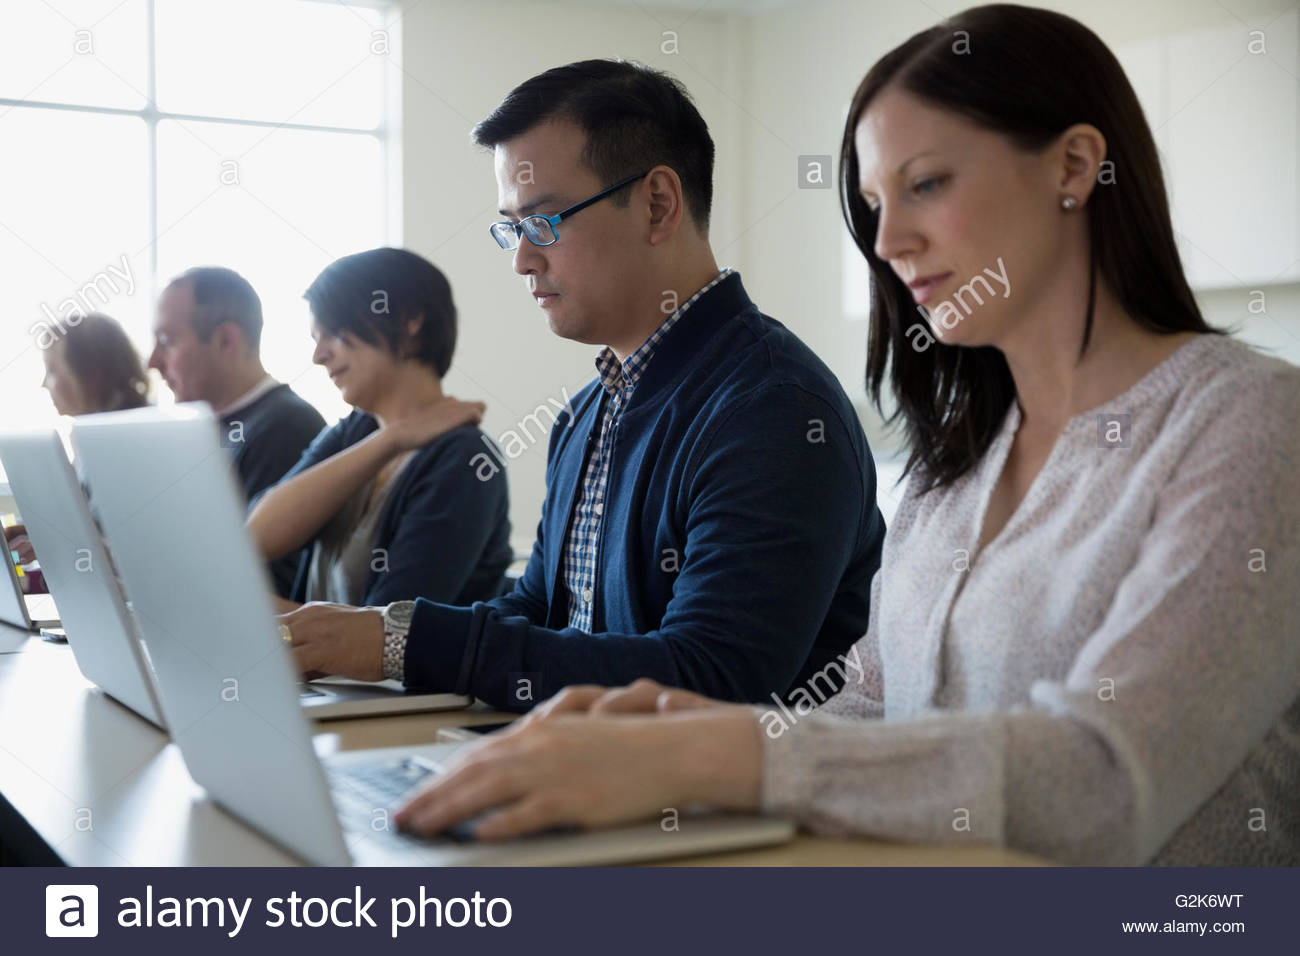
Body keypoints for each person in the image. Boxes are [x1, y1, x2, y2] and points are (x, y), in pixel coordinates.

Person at [380, 5, 1300, 867]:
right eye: (872, 204)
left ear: (1074, 168)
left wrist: (712, 756)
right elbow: (865, 702)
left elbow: (1106, 780)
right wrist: (648, 739)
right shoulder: (959, 459)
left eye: (926, 184)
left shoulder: (1250, 423)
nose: (888, 241)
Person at [281, 60, 885, 710]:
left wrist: (403, 641)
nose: (522, 259)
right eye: (512, 227)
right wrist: (378, 635)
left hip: (720, 778)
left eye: (544, 221)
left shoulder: (774, 408)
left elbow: (709, 678)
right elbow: (541, 610)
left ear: (657, 204)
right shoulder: (585, 412)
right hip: (585, 759)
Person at [247, 248, 511, 610]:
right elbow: (256, 536)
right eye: (315, 339)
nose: (318, 356)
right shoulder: (355, 432)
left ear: (409, 320)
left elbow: (388, 628)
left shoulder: (465, 458)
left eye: (333, 333)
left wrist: (251, 612)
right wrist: (392, 438)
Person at [149, 266, 325, 597]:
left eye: (167, 341)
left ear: (226, 340)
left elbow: (267, 586)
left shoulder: (284, 429)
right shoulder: (204, 431)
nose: (153, 362)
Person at [4, 312, 151, 565]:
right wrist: (44, 534)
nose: (44, 384)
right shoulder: (86, 439)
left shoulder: (137, 441)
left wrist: (64, 543)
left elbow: (141, 552)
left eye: (52, 370)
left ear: (90, 373)